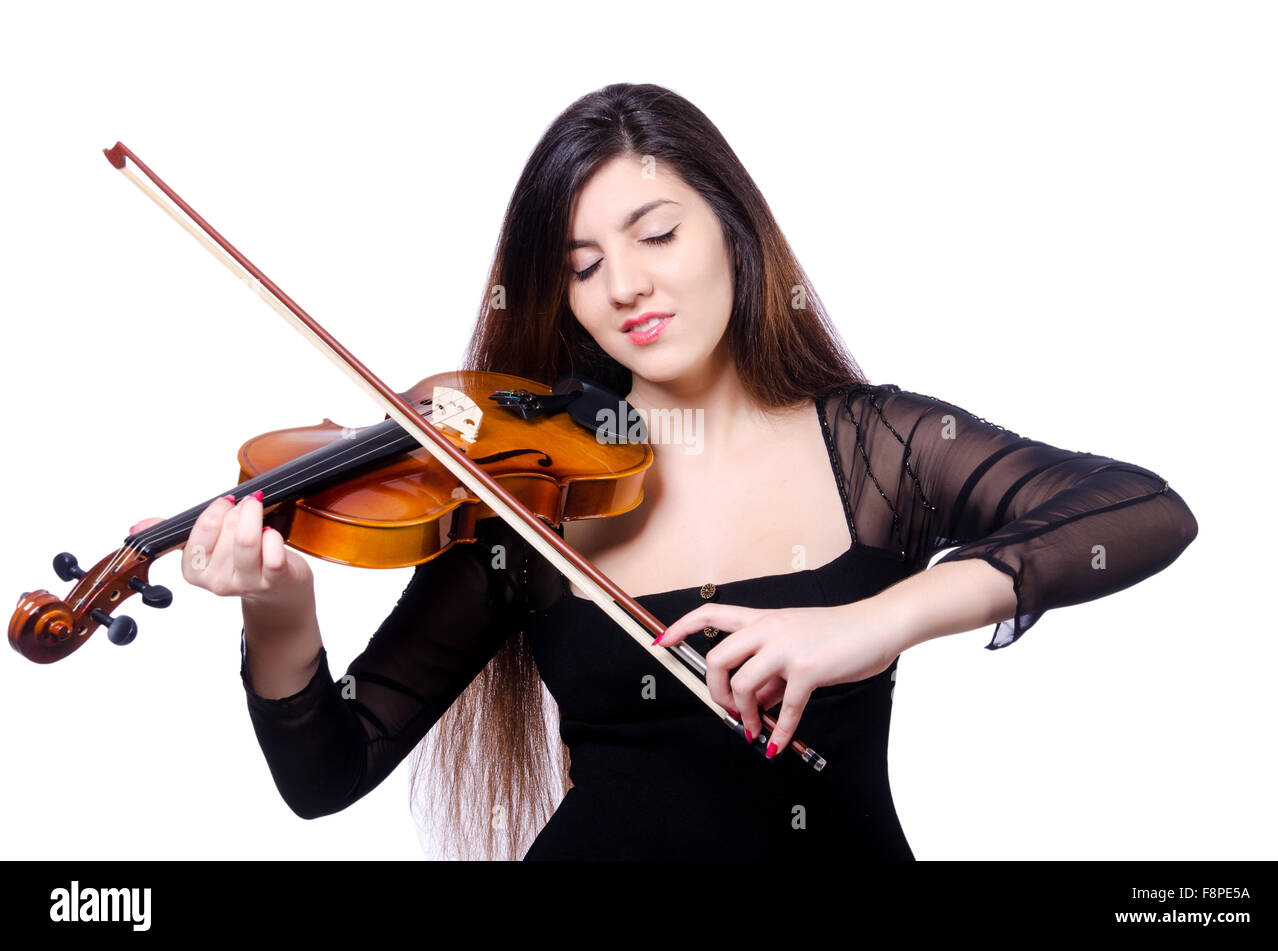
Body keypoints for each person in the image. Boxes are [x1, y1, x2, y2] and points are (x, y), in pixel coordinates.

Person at [129, 83, 1198, 860]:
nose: (625, 285)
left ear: (730, 230)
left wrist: (886, 616)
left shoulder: (876, 449)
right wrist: (279, 614)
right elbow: (328, 774)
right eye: (583, 266)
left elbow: (1142, 512)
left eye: (654, 233)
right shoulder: (523, 494)